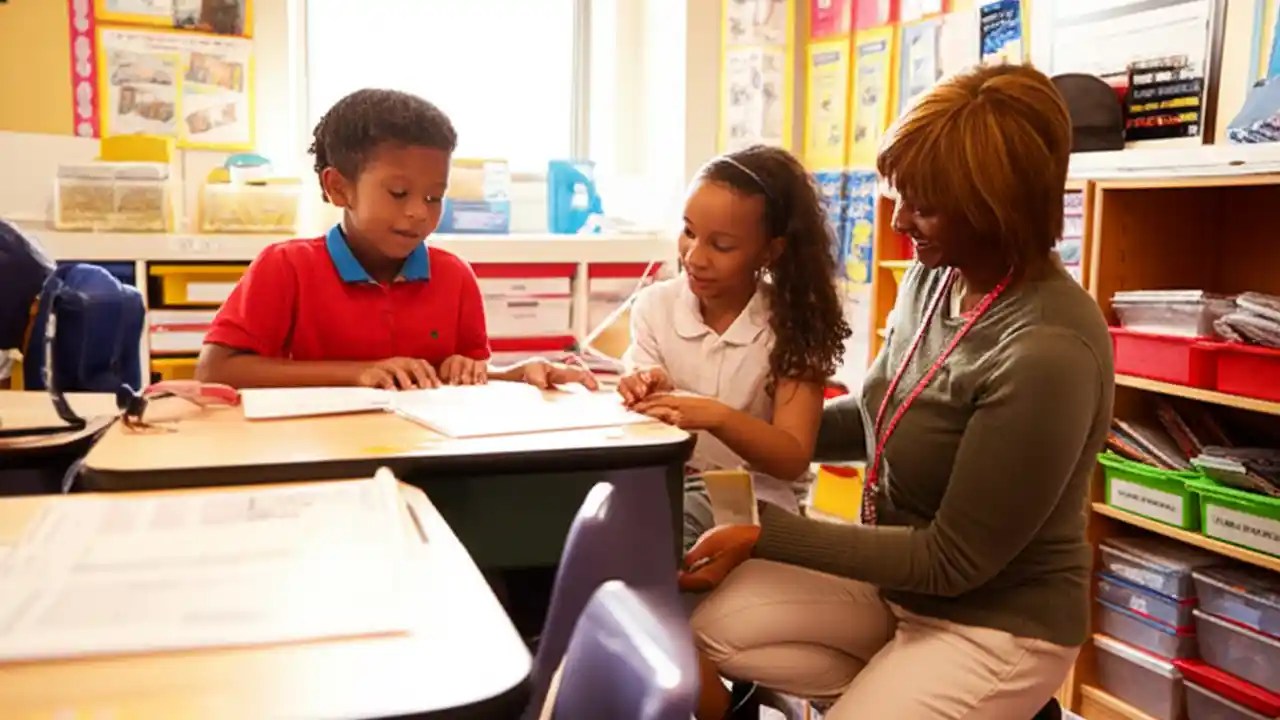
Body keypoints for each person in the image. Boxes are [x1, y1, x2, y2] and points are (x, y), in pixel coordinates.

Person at [680, 64, 1115, 719]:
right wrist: (739, 425)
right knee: (712, 628)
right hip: (900, 593)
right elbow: (884, 409)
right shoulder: (935, 276)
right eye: (902, 195)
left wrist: (764, 534)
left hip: (994, 622)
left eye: (925, 204)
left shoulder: (1048, 350)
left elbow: (950, 561)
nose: (901, 219)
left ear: (996, 208)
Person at [196, 88, 593, 391]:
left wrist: (514, 374)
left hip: (423, 459)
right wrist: (356, 373)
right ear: (338, 188)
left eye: (434, 197)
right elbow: (216, 369)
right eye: (399, 193)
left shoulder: (454, 277)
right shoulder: (287, 267)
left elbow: (467, 380)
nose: (420, 211)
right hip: (322, 459)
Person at [618, 144, 850, 551]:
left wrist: (716, 416)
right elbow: (637, 419)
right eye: (689, 232)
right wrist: (646, 388)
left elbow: (792, 456)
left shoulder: (793, 323)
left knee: (667, 531)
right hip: (671, 486)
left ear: (770, 250)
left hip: (756, 501)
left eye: (721, 246)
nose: (695, 256)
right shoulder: (655, 306)